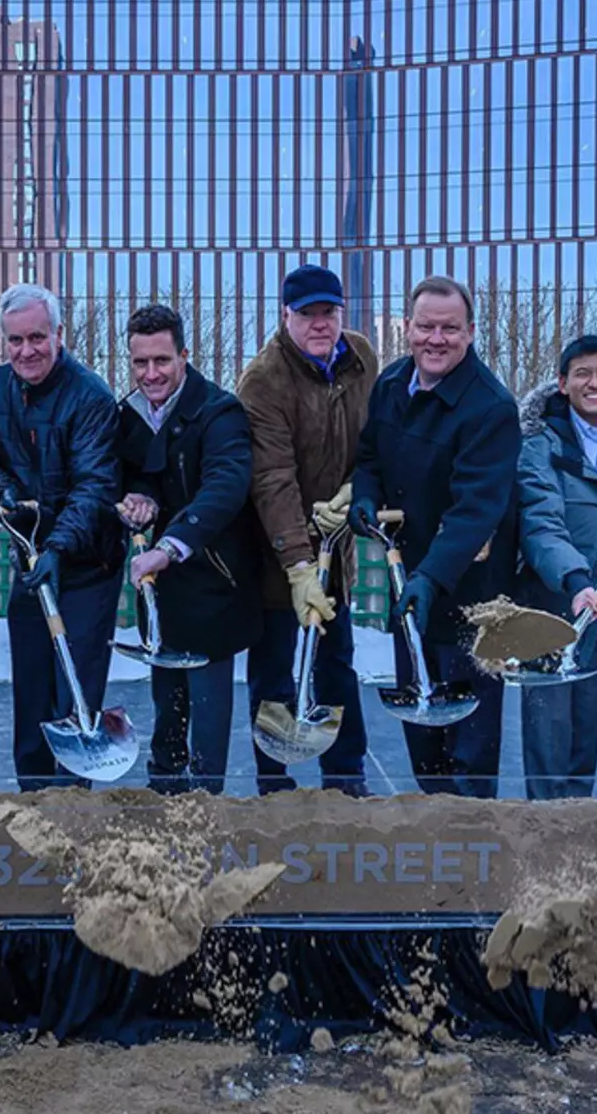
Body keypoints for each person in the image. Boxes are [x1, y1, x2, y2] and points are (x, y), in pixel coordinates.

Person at [350, 275, 519, 799]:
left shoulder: (490, 407)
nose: (436, 339)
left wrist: (429, 578)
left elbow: (476, 511)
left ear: (469, 332)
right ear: (408, 328)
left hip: (472, 597)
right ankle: (434, 838)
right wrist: (364, 494)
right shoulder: (392, 384)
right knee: (423, 735)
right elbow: (371, 456)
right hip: (413, 586)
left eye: (449, 328)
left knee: (470, 743)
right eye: (426, 327)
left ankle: (473, 847)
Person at [0, 283, 125, 790]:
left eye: (37, 337)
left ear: (59, 334)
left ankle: (72, 803)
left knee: (72, 686)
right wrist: (6, 491)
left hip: (86, 567)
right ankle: (31, 800)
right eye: (15, 340)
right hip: (30, 561)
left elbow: (96, 486)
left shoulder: (91, 397)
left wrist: (58, 547)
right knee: (32, 688)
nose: (26, 350)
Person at [236, 264, 378, 796]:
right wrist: (297, 567)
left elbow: (378, 439)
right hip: (277, 549)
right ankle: (273, 781)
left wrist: (358, 489)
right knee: (275, 670)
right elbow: (272, 477)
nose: (320, 324)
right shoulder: (264, 379)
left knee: (336, 663)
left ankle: (347, 777)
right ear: (285, 316)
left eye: (329, 312)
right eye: (307, 314)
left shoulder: (361, 356)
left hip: (337, 546)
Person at [116, 305, 262, 795]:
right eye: (140, 363)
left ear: (184, 355)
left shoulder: (220, 411)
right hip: (159, 591)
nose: (151, 374)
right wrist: (139, 499)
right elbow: (141, 476)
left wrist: (172, 545)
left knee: (207, 719)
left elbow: (225, 484)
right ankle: (164, 802)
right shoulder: (130, 414)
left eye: (162, 360)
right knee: (166, 709)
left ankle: (206, 812)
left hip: (212, 584)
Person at [514, 335, 597, 800]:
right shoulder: (540, 444)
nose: (595, 383)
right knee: (548, 731)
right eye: (583, 373)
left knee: (586, 725)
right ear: (562, 382)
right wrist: (574, 582)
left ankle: (580, 827)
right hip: (553, 606)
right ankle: (546, 829)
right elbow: (540, 522)